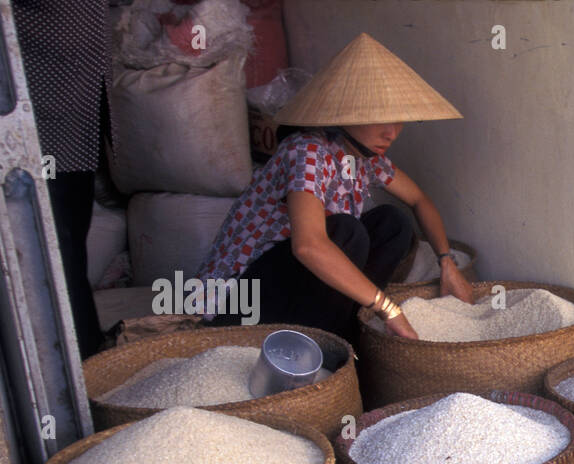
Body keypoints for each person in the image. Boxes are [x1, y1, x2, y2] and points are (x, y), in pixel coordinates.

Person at [197, 32, 471, 342]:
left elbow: (419, 199)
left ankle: (344, 326)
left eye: (398, 119)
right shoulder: (307, 151)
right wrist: (388, 308)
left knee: (394, 223)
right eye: (379, 118)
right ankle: (318, 340)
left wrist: (447, 262)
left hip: (293, 291)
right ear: (343, 115)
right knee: (345, 232)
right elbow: (308, 245)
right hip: (241, 301)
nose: (391, 133)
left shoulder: (364, 158)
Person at [13, 0, 112, 359]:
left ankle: (75, 353)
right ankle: (79, 349)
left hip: (57, 103)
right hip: (56, 101)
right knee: (60, 237)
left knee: (58, 239)